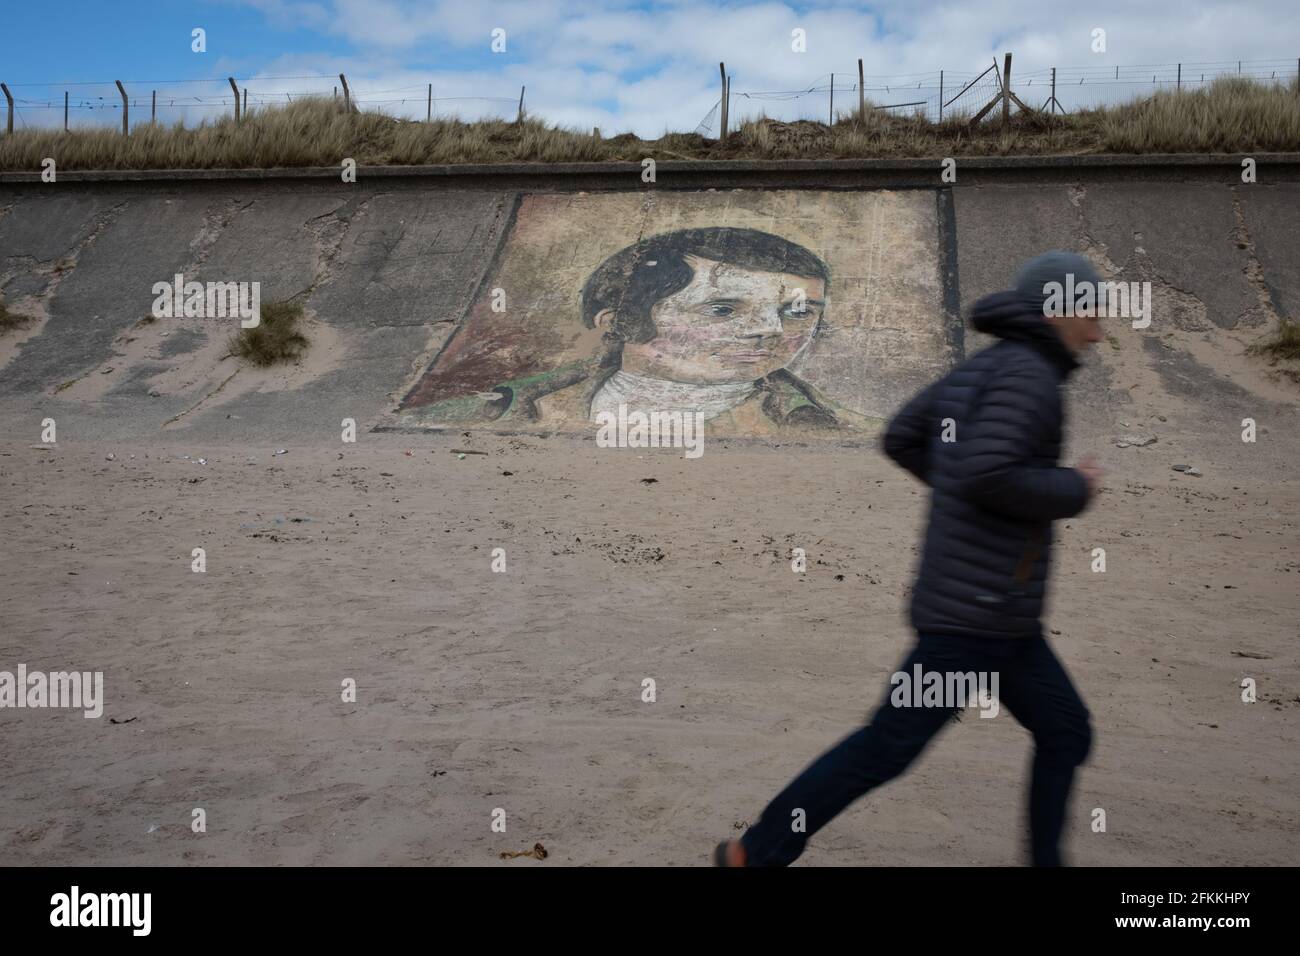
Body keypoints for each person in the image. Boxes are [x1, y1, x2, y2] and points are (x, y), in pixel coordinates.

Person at [715, 251, 1106, 867]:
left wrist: (959, 495)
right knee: (888, 746)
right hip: (975, 619)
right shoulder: (1029, 377)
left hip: (1000, 619)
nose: (1099, 328)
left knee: (1065, 731)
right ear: (1059, 310)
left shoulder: (984, 368)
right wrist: (1073, 489)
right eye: (1090, 311)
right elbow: (989, 473)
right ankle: (755, 852)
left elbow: (903, 436)